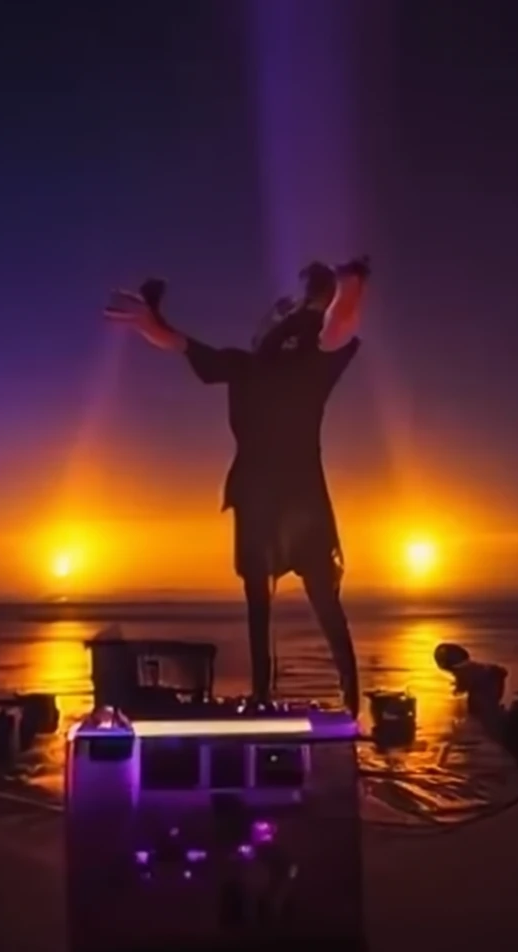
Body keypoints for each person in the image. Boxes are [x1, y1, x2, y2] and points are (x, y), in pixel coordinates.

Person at [103, 258, 369, 715]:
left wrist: (345, 289)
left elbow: (336, 329)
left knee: (321, 596)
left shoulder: (309, 360)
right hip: (256, 495)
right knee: (259, 599)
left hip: (299, 498)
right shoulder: (244, 366)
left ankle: (350, 697)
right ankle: (264, 695)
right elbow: (182, 345)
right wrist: (151, 320)